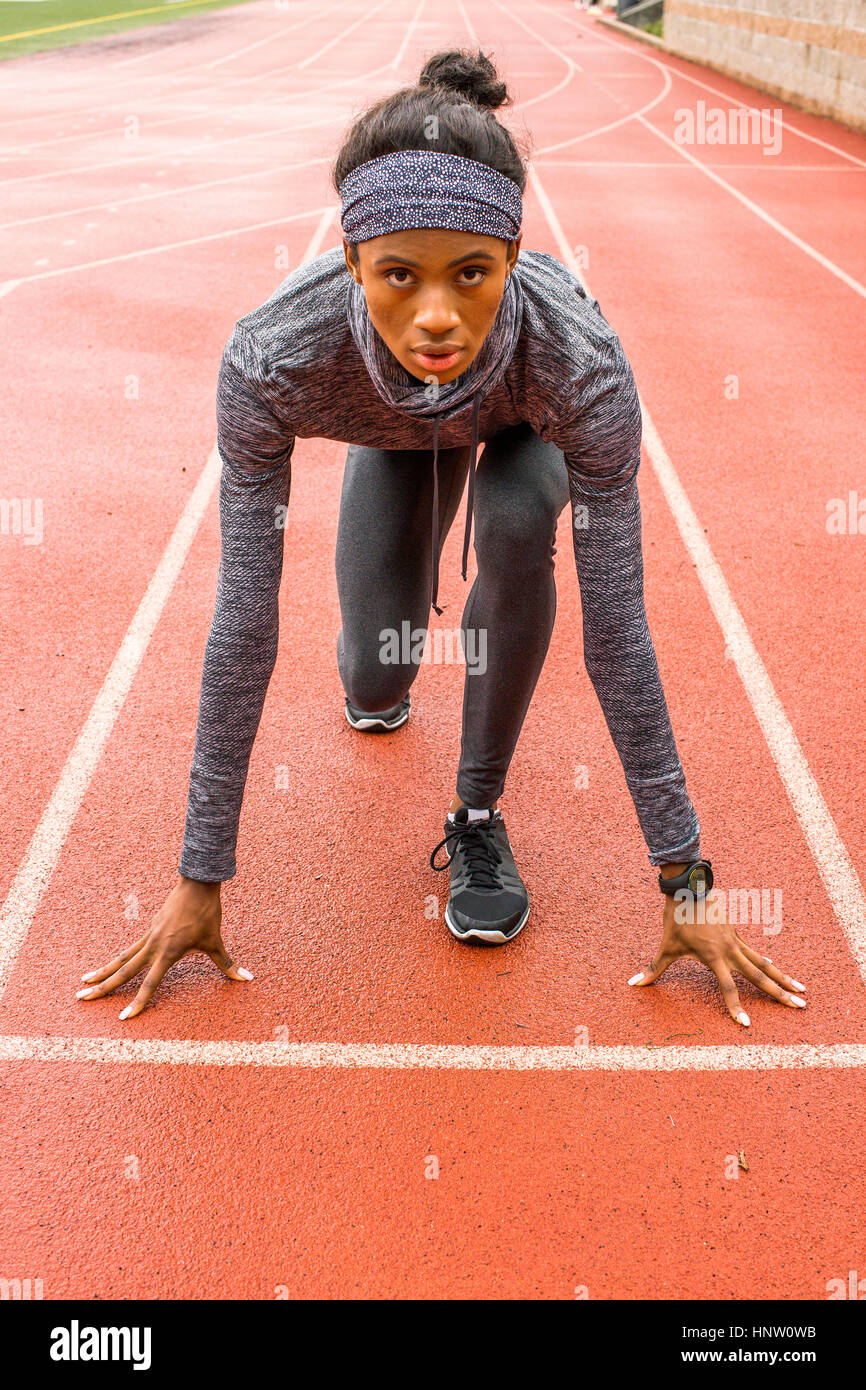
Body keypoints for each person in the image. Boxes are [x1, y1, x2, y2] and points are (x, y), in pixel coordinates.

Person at [77, 49, 806, 1023]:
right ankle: (383, 646)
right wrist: (199, 878)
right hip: (386, 429)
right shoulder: (272, 358)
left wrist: (685, 883)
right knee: (374, 682)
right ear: (349, 263)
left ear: (512, 258)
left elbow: (616, 634)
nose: (433, 316)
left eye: (471, 274)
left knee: (512, 521)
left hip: (515, 425)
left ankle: (474, 812)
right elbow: (244, 624)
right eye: (396, 275)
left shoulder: (579, 363)